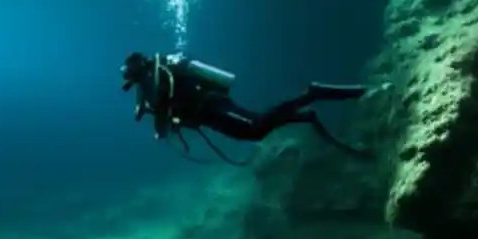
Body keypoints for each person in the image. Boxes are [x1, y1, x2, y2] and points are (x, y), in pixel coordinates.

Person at [120, 51, 372, 159]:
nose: (127, 75)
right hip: (209, 115)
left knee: (255, 126)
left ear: (136, 68)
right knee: (253, 133)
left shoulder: (152, 79)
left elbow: (162, 107)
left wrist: (159, 129)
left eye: (128, 71)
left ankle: (311, 94)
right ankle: (303, 115)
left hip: (212, 107)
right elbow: (161, 106)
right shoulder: (148, 81)